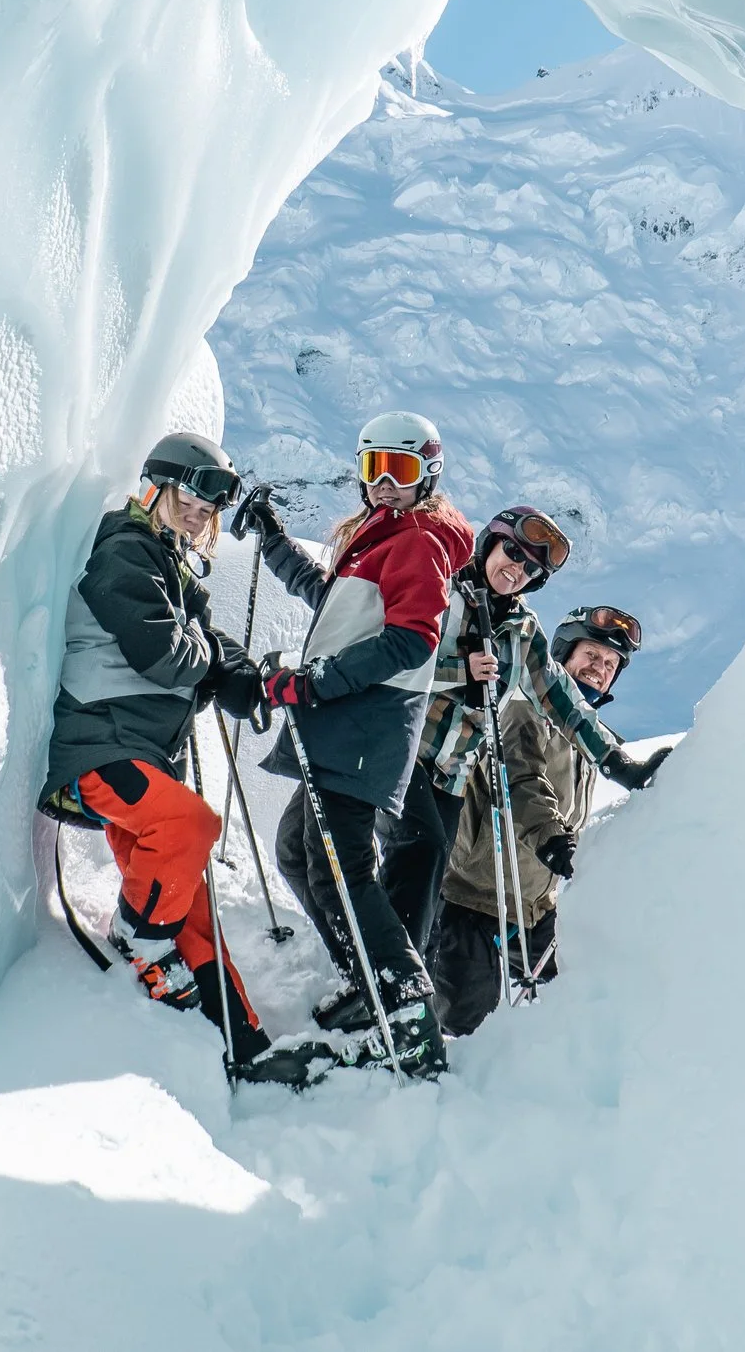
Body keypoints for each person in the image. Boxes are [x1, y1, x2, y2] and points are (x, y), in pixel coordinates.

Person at [36, 431, 322, 1087]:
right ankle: (136, 935)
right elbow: (162, 651)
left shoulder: (170, 562)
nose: (201, 509)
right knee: (190, 826)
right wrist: (218, 667)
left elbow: (203, 637)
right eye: (192, 490)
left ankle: (245, 1044)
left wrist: (240, 674)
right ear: (157, 486)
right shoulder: (124, 551)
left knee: (189, 907)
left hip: (136, 757)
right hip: (99, 749)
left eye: (212, 500)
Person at [234, 410, 473, 1073]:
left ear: (427, 472)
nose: (383, 485)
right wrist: (275, 541)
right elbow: (332, 599)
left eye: (398, 471)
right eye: (373, 470)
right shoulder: (382, 536)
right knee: (298, 850)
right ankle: (366, 981)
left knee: (341, 868)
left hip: (364, 722)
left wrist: (313, 683)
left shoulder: (421, 540)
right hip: (342, 720)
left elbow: (410, 638)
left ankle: (405, 1006)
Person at [373, 508, 670, 978]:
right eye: (512, 552)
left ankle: (396, 985)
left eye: (532, 568)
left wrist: (617, 764)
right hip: (407, 765)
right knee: (417, 858)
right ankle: (383, 983)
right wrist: (459, 672)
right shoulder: (441, 593)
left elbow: (563, 699)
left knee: (422, 873)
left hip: (470, 816)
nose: (518, 569)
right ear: (490, 542)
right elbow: (389, 659)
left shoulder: (520, 631)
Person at [431, 603, 652, 1037]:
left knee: (574, 1001)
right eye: (591, 655)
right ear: (564, 653)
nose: (599, 668)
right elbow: (520, 779)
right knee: (466, 1029)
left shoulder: (588, 740)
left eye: (610, 664)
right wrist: (554, 840)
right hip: (472, 898)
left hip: (534, 909)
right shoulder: (523, 708)